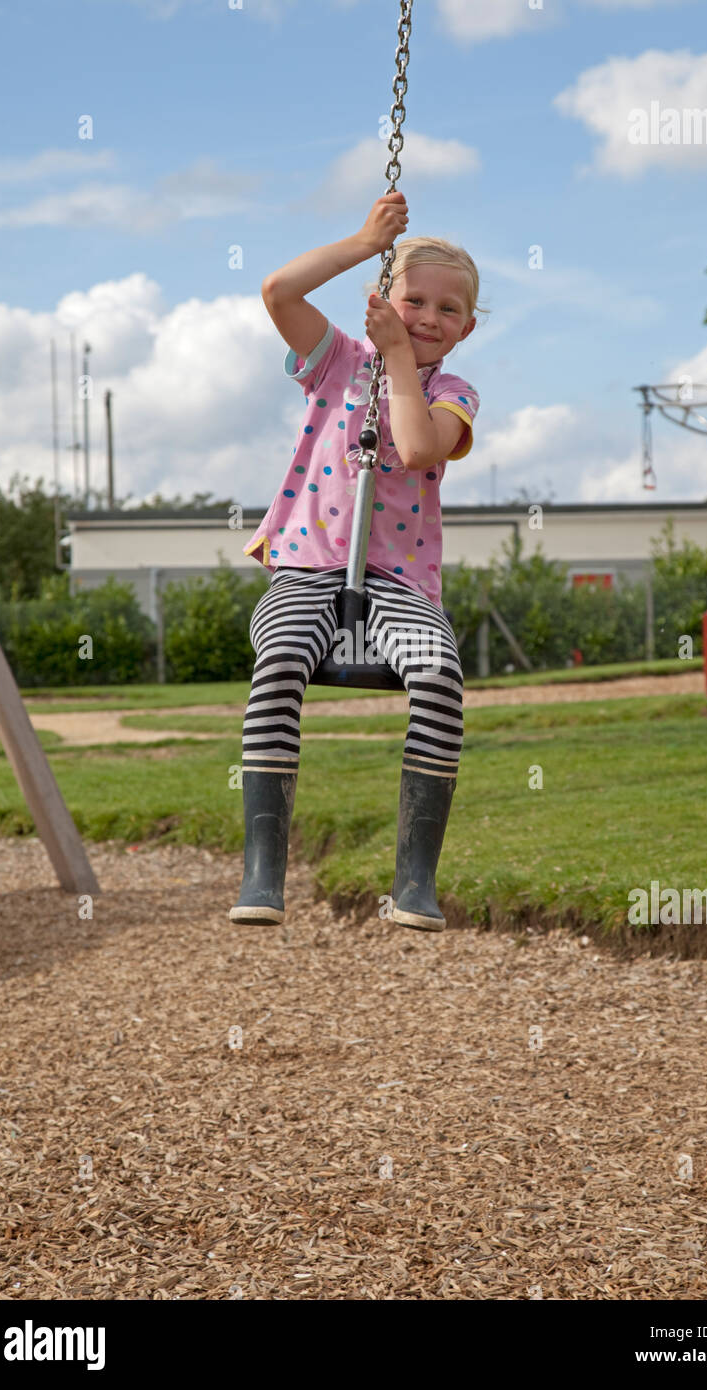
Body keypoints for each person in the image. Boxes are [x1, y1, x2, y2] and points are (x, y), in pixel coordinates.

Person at [230, 192, 483, 932]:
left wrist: (400, 356)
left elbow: (414, 446)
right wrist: (364, 239)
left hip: (400, 584)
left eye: (447, 309)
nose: (428, 317)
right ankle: (263, 870)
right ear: (384, 297)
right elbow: (279, 289)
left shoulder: (453, 391)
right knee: (278, 661)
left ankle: (413, 881)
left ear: (466, 328)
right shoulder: (336, 360)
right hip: (309, 566)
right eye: (414, 300)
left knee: (438, 676)